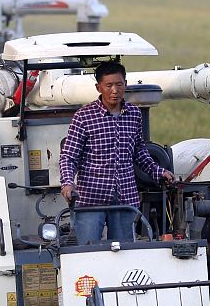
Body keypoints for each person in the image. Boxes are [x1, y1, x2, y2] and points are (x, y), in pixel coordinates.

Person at [59, 61, 175, 244]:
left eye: (119, 85)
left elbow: (139, 153)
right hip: (91, 198)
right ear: (99, 88)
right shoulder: (83, 117)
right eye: (109, 85)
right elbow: (69, 156)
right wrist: (67, 183)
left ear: (125, 85)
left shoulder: (134, 115)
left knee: (124, 253)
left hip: (125, 198)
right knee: (88, 252)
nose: (114, 90)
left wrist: (159, 172)